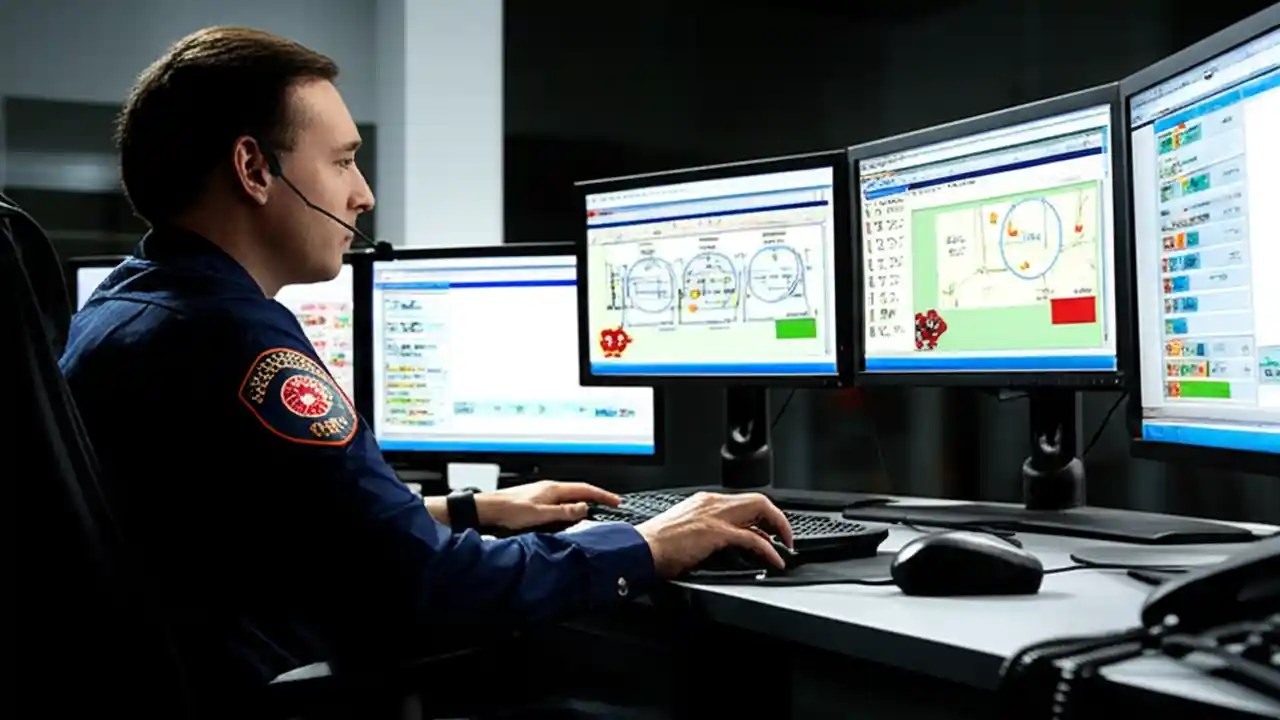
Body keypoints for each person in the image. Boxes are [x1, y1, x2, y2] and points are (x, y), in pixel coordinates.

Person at [58, 26, 792, 712]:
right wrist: (647, 544)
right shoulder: (236, 340)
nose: (363, 194)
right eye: (342, 161)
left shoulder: (123, 308)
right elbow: (426, 586)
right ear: (254, 169)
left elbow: (254, 533)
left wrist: (469, 510)